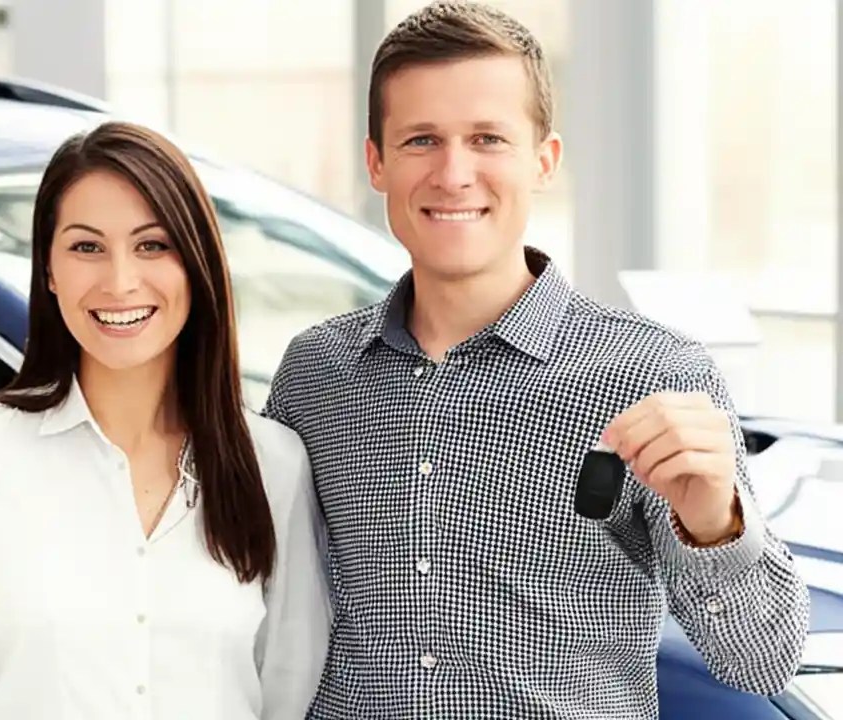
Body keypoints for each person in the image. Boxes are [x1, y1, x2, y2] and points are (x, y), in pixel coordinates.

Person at [262, 3, 810, 719]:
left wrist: (715, 523)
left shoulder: (654, 374)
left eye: (487, 138)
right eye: (422, 139)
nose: (454, 174)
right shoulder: (315, 375)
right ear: (377, 162)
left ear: (543, 160)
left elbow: (760, 659)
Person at [0, 120, 332, 720]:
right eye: (86, 247)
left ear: (195, 265)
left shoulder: (272, 462)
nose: (120, 282)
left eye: (152, 245)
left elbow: (293, 690)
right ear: (48, 270)